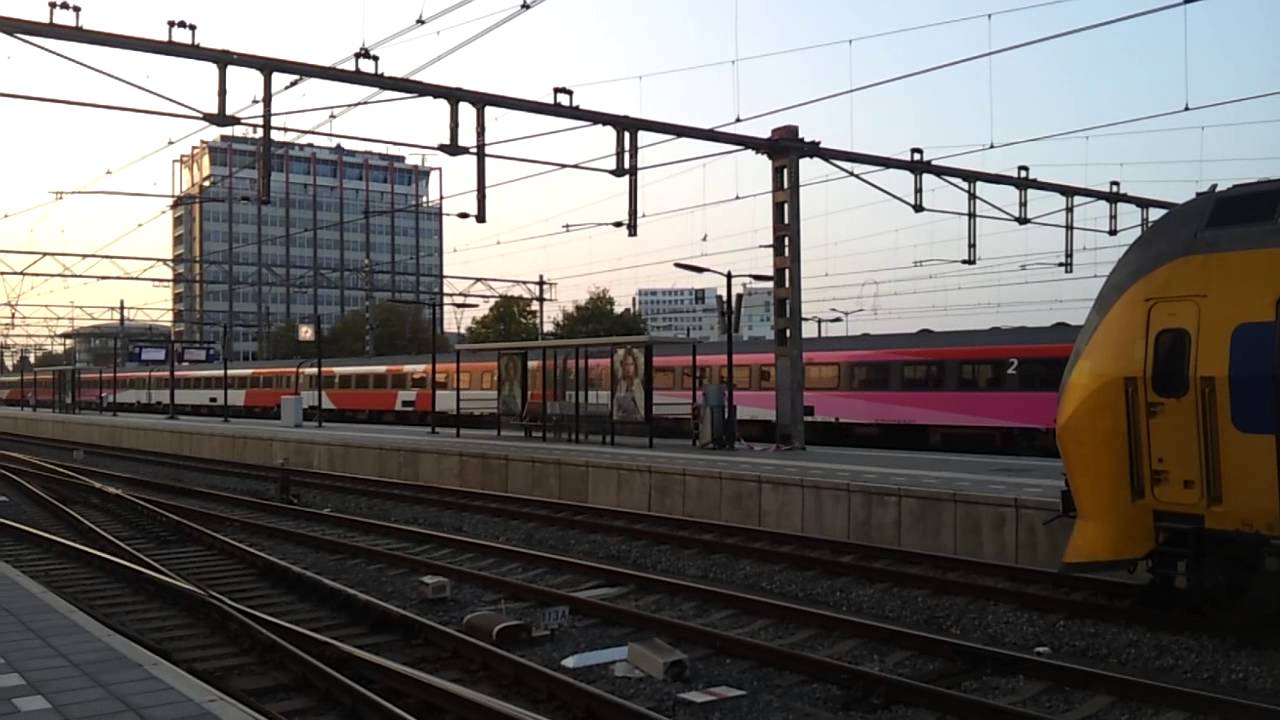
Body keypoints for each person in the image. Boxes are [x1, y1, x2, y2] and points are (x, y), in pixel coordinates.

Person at [612, 347, 643, 422]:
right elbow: (616, 359)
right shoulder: (621, 380)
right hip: (622, 418)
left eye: (631, 364)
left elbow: (641, 359)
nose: (629, 368)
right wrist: (623, 351)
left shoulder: (637, 380)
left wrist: (632, 350)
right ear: (623, 366)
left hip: (638, 418)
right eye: (626, 364)